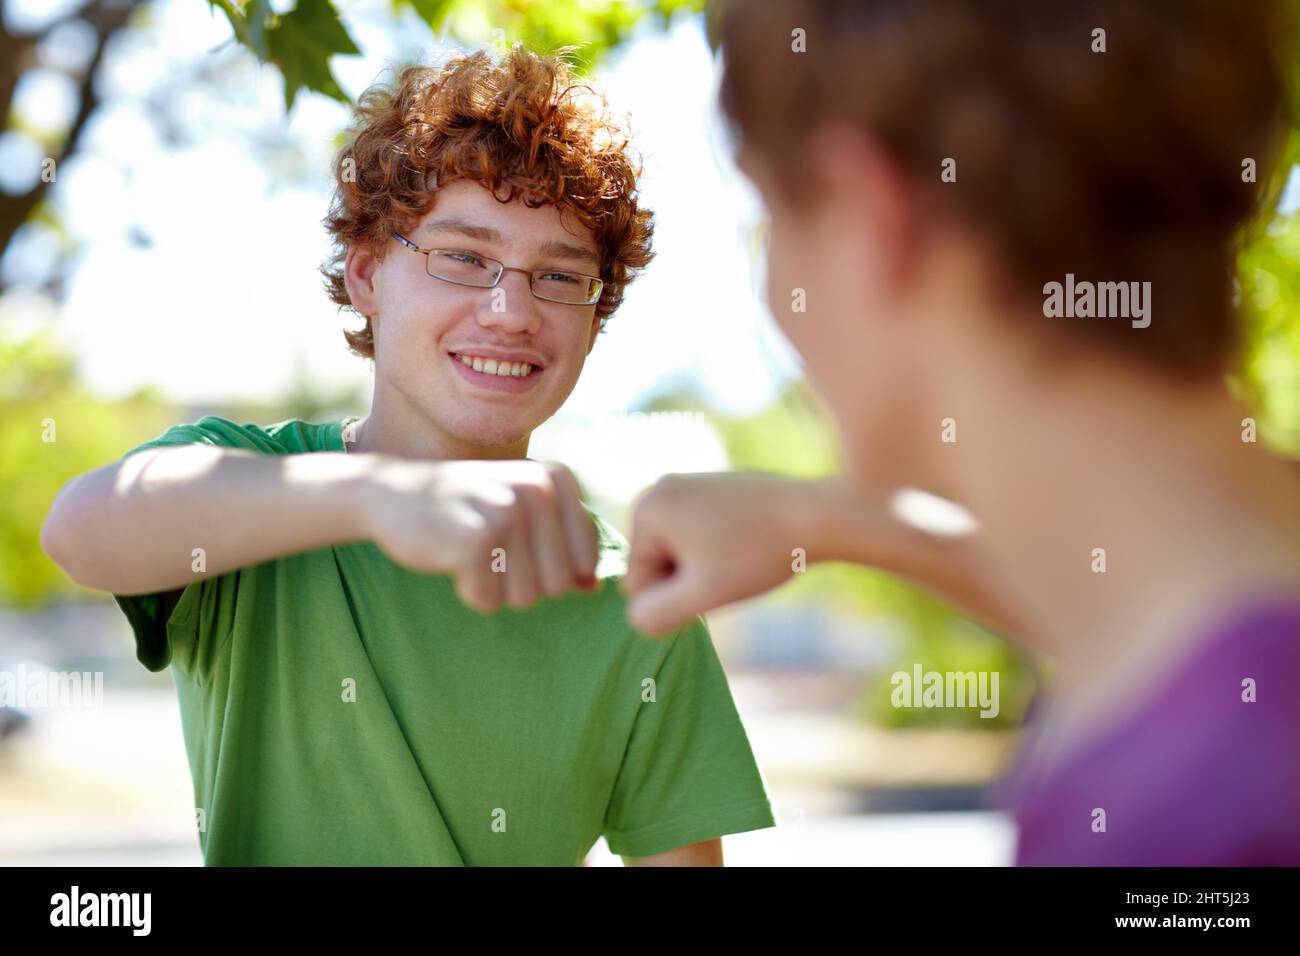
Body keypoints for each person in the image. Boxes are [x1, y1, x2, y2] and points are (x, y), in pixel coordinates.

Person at [40, 45, 774, 866]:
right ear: (365, 277)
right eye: (463, 258)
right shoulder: (247, 496)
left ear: (595, 320)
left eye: (559, 277)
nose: (511, 312)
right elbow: (80, 531)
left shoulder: (638, 605)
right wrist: (377, 498)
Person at [624, 0, 1300, 864]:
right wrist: (817, 523)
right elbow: (1129, 610)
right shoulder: (1223, 636)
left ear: (874, 216)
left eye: (773, 217)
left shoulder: (1194, 820)